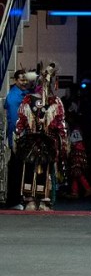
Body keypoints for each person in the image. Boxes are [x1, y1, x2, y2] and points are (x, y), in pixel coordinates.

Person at [14, 64, 68, 211]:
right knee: (45, 169)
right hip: (47, 143)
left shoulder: (27, 100)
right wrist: (63, 146)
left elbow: (20, 124)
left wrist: (18, 139)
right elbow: (61, 127)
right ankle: (44, 200)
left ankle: (30, 200)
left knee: (31, 168)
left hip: (30, 143)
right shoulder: (56, 102)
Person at [4, 70, 29, 210]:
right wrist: (17, 139)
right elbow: (15, 122)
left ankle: (17, 198)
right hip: (17, 138)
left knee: (19, 168)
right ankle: (13, 200)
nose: (24, 82)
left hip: (21, 138)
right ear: (15, 80)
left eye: (25, 79)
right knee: (16, 169)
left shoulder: (23, 94)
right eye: (21, 80)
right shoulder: (14, 97)